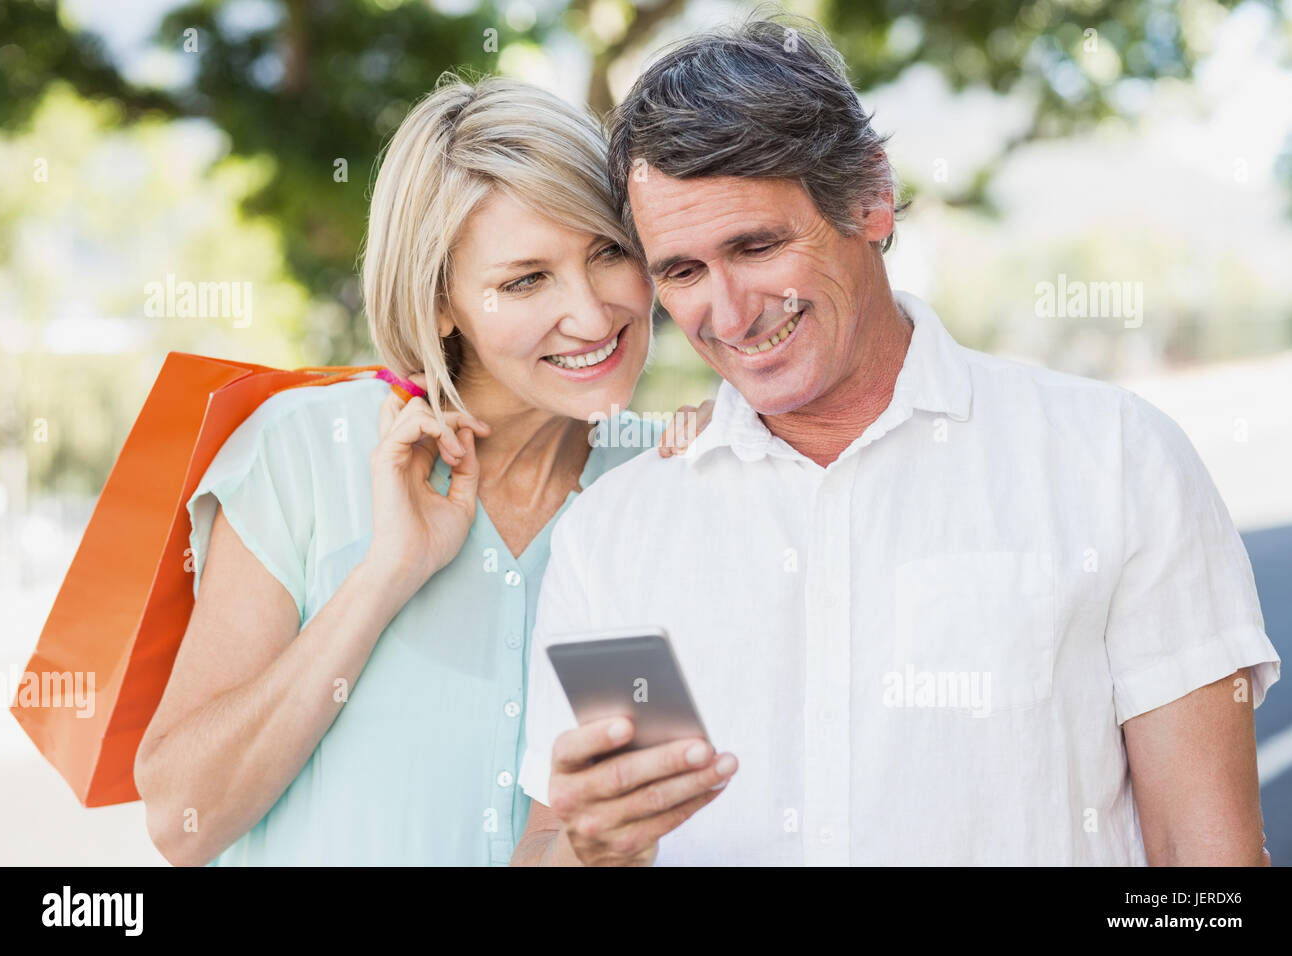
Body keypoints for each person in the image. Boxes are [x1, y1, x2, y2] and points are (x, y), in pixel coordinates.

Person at [513, 18, 1281, 866]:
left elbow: (1207, 875)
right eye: (683, 273)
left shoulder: (1118, 462)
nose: (727, 316)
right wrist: (592, 851)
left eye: (757, 245)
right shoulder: (617, 536)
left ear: (870, 198)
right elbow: (565, 839)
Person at [133, 75, 711, 866]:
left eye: (609, 251)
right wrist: (384, 576)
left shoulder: (666, 483)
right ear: (441, 302)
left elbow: (636, 815)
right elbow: (180, 820)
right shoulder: (304, 452)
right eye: (525, 279)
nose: (590, 312)